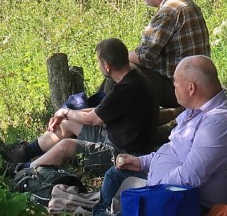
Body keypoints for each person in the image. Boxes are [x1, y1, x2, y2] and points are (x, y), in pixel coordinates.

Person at [40, 55, 227, 216]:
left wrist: (146, 190)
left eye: (175, 83)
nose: (173, 88)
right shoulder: (197, 110)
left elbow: (189, 179)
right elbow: (172, 152)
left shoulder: (218, 123)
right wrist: (142, 163)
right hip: (167, 188)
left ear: (191, 88)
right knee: (115, 174)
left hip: (188, 203)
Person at [19, 38, 159, 170]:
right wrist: (65, 115)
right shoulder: (137, 80)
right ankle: (25, 153)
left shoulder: (124, 89)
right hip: (115, 138)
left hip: (123, 154)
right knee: (66, 123)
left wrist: (65, 111)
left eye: (99, 63)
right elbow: (101, 110)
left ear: (107, 67)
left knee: (65, 146)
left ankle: (22, 170)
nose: (99, 66)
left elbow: (92, 119)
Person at [128, 0, 210, 108]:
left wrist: (118, 56)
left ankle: (101, 121)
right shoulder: (185, 2)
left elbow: (144, 56)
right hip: (199, 86)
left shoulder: (169, 11)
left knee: (121, 68)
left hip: (180, 90)